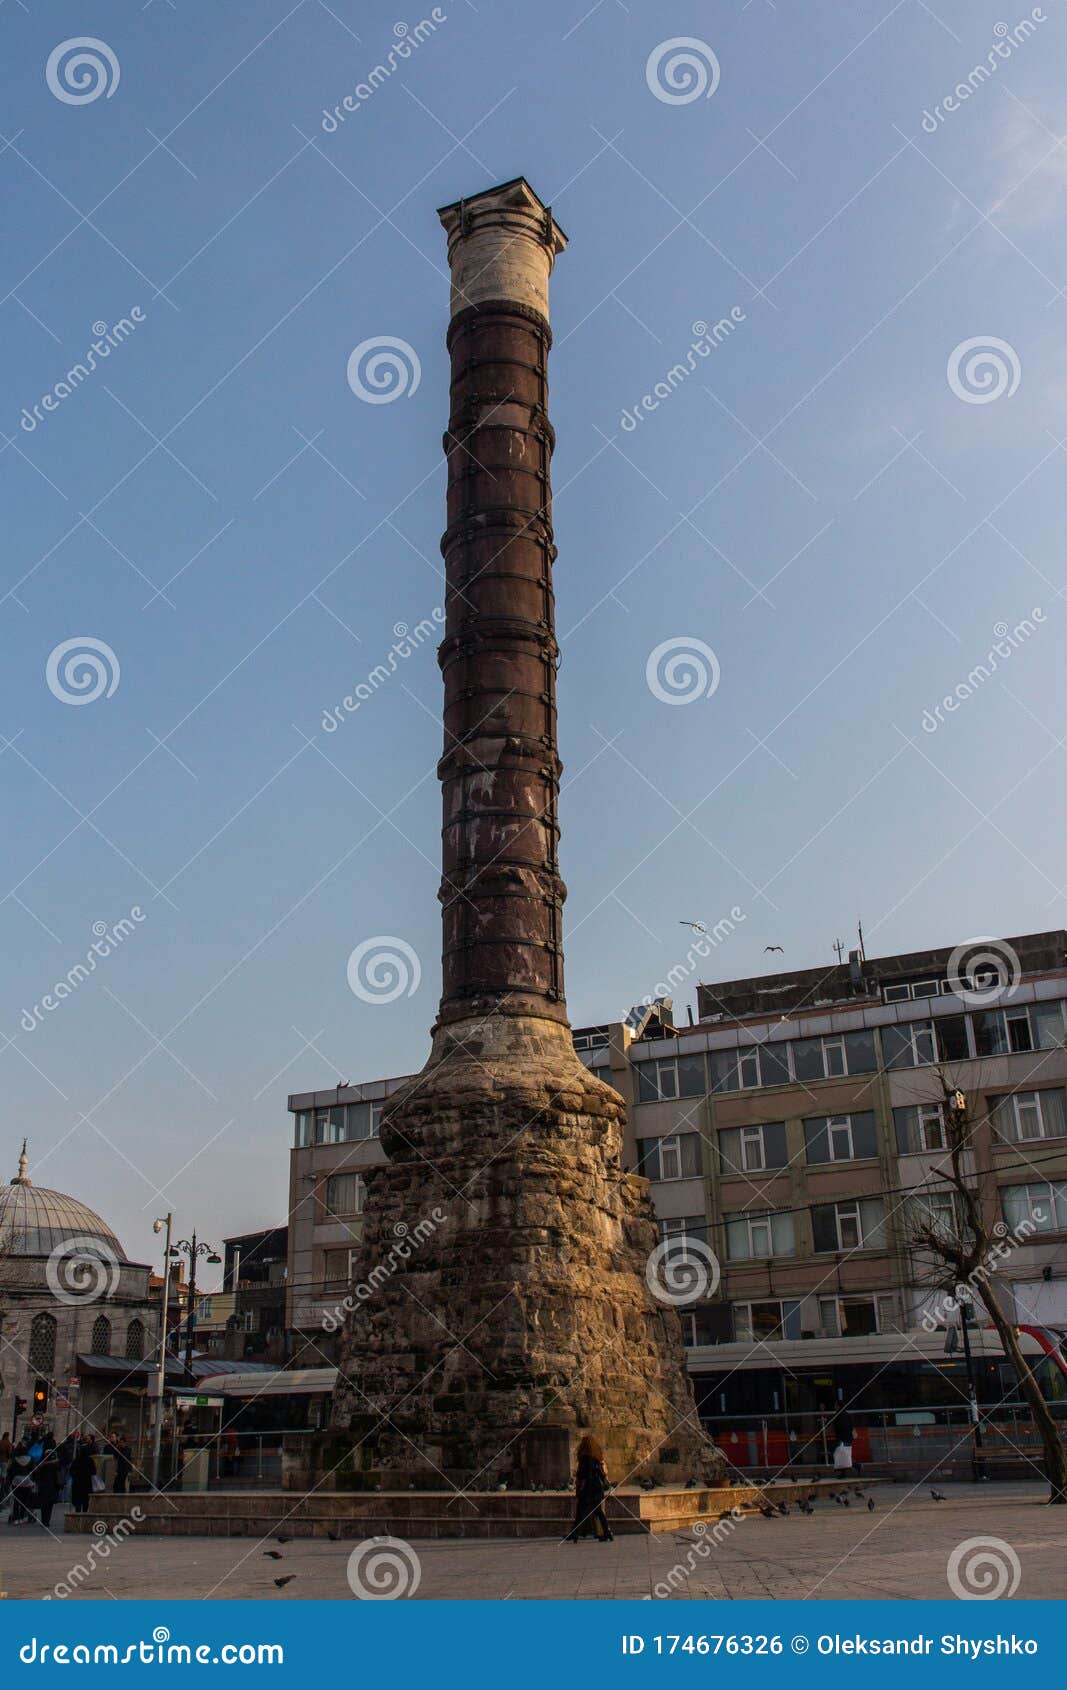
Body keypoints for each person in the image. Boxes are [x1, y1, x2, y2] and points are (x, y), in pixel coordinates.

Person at [565, 1434, 614, 1543]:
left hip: (587, 1489)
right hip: (597, 1489)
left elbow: (584, 1474)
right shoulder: (596, 1458)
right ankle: (607, 1533)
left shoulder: (585, 1458)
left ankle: (575, 1534)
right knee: (598, 1512)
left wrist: (579, 1484)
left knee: (581, 1512)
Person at [32, 1437, 62, 1529]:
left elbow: (36, 1472)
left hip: (43, 1484)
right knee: (50, 1504)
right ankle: (47, 1521)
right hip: (52, 1484)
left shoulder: (42, 1459)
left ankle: (44, 1520)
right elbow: (58, 1469)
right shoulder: (55, 1460)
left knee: (44, 1504)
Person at [68, 1435, 97, 1515]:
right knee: (85, 1502)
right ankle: (84, 1515)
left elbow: (71, 1471)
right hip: (87, 1484)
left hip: (77, 1484)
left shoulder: (77, 1460)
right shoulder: (90, 1460)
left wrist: (75, 1476)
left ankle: (78, 1516)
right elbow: (94, 1472)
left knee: (78, 1502)